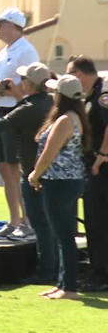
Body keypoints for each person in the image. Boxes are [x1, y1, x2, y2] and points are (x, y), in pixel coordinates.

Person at [28, 74, 90, 300]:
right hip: (64, 182)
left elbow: (48, 153)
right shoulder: (72, 117)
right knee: (62, 234)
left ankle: (69, 287)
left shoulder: (65, 120)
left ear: (61, 95)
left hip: (60, 183)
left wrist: (35, 174)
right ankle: (63, 283)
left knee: (63, 235)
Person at [0, 62, 54, 282]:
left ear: (31, 84)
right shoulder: (52, 102)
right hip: (52, 170)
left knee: (40, 224)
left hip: (33, 170)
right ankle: (55, 269)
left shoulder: (28, 107)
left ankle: (47, 271)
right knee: (51, 224)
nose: (19, 83)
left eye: (23, 80)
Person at [0, 7, 39, 237]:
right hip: (1, 111)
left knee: (17, 168)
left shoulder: (27, 51)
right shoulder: (2, 52)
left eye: (1, 23)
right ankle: (14, 220)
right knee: (5, 167)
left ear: (13, 26)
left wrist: (5, 88)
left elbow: (30, 87)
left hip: (18, 112)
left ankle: (28, 220)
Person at [66, 55, 108, 292]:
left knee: (97, 219)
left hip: (100, 166)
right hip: (95, 163)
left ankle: (100, 274)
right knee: (95, 219)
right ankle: (99, 271)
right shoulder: (92, 93)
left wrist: (102, 155)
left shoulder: (102, 95)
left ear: (79, 75)